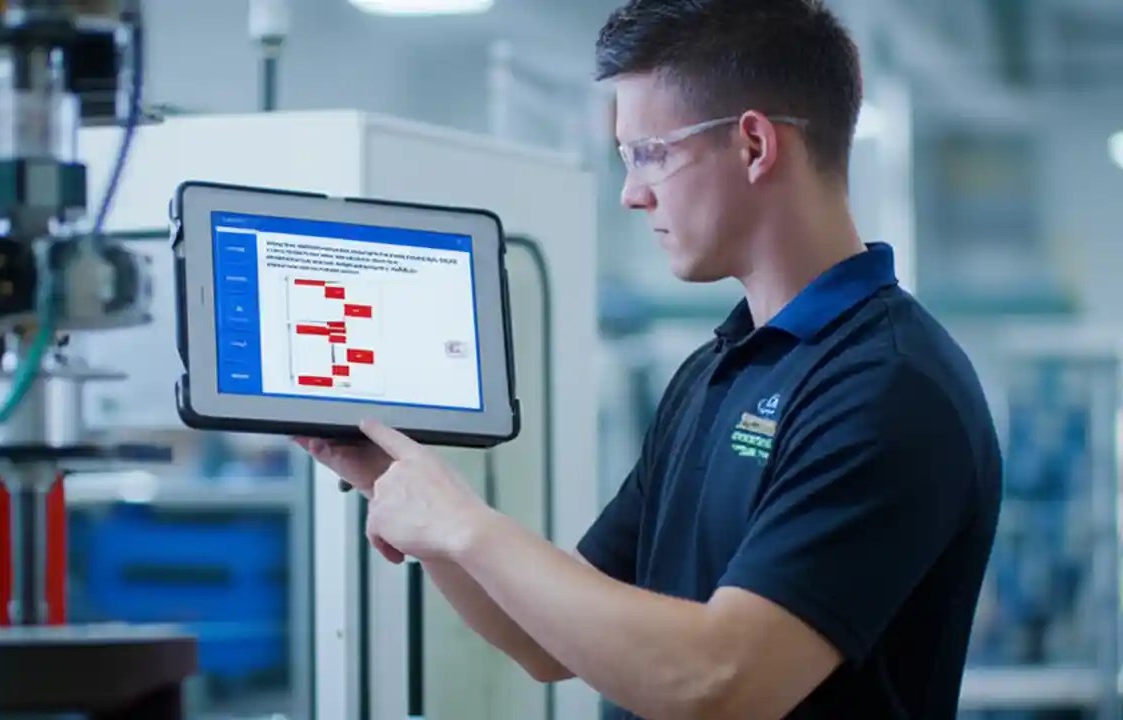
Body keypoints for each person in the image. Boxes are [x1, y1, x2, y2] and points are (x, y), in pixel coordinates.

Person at [298, 0, 1002, 717]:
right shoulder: (715, 373)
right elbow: (543, 640)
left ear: (754, 145)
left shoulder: (887, 386)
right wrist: (405, 488)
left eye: (648, 154)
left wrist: (465, 526)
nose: (633, 194)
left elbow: (725, 681)